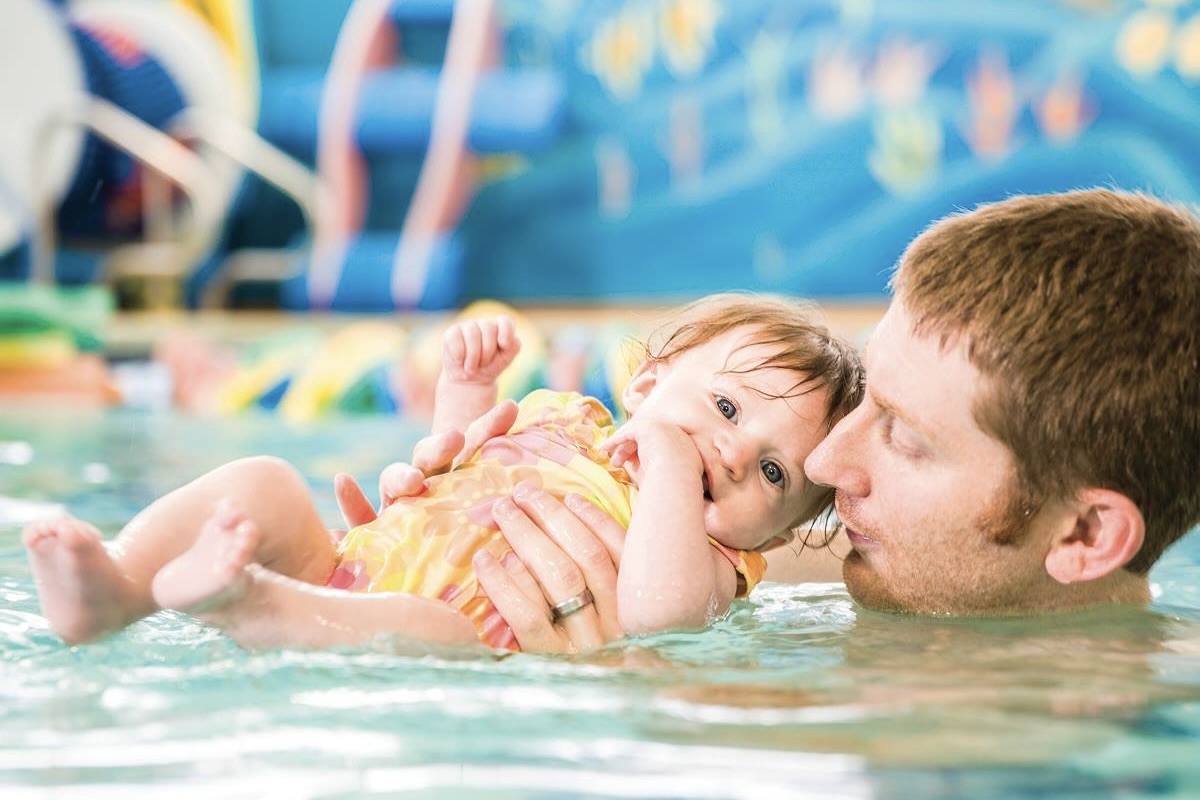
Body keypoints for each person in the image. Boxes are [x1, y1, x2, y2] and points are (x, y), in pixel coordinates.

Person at [404, 188, 1200, 651]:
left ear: (1087, 536)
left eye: (902, 434)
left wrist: (628, 691)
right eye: (866, 400)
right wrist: (448, 518)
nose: (821, 466)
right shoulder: (797, 563)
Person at [23, 293, 863, 651]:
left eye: (772, 474)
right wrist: (466, 392)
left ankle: (255, 604)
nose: (729, 454)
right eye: (722, 411)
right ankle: (116, 583)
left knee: (446, 638)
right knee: (268, 482)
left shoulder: (714, 564)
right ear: (646, 382)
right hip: (354, 568)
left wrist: (675, 463)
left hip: (433, 631)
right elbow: (449, 468)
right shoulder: (562, 415)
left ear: (780, 535)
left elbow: (660, 619)